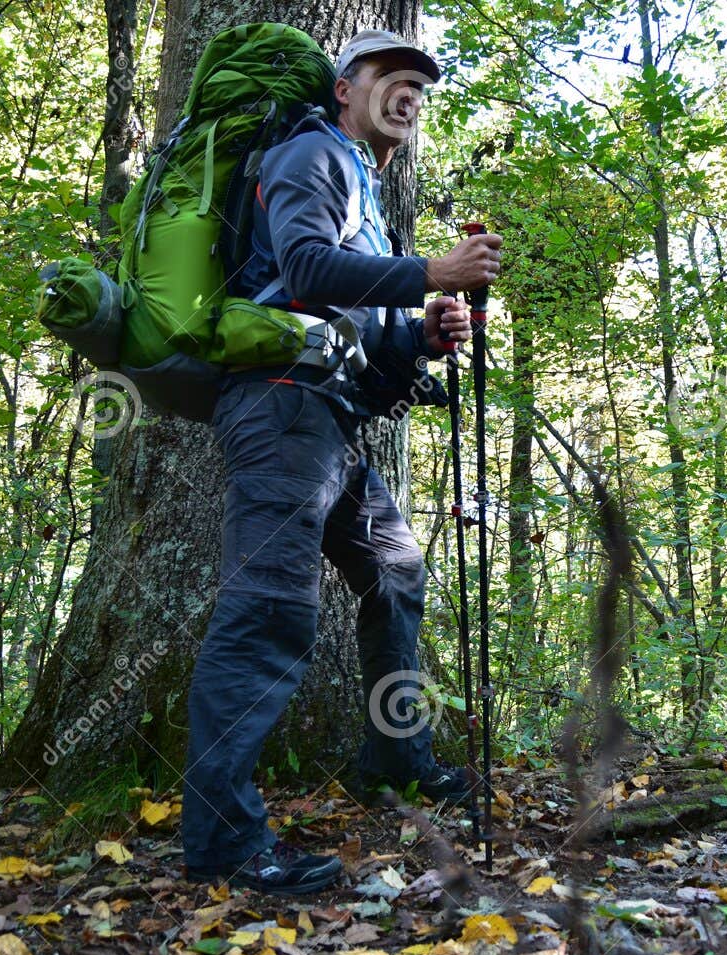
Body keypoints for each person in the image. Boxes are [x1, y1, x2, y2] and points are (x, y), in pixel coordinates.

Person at [180, 29, 503, 896]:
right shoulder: (309, 155)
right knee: (269, 609)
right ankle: (222, 840)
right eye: (390, 78)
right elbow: (307, 266)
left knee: (395, 570)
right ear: (344, 89)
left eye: (420, 87)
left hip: (326, 418)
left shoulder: (364, 182)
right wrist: (433, 268)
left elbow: (354, 319)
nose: (408, 93)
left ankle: (393, 758)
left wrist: (422, 334)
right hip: (280, 407)